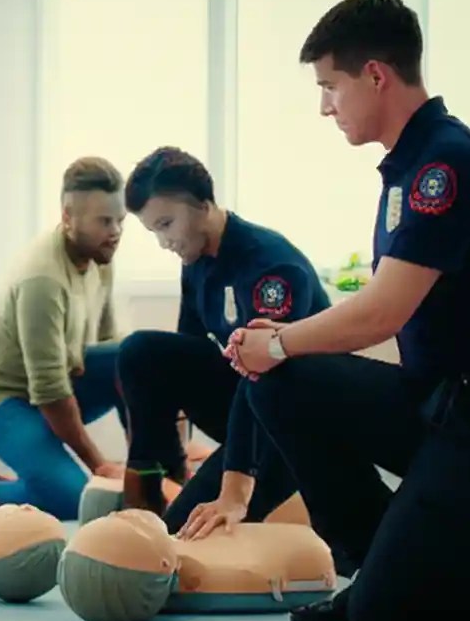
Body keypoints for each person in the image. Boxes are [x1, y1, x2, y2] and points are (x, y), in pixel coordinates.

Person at [225, 0, 470, 621]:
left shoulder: (446, 164)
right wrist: (281, 349)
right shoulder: (408, 166)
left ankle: (390, 591)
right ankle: (378, 568)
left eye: (331, 85)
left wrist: (278, 340)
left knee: (391, 620)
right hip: (436, 403)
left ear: (376, 76)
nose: (325, 105)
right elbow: (390, 314)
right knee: (281, 383)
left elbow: (385, 310)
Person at [113, 146, 331, 535]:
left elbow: (264, 377)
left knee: (179, 536)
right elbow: (184, 360)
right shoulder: (195, 261)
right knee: (140, 352)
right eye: (153, 232)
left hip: (295, 417)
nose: (164, 243)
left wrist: (234, 485)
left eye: (166, 224)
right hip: (248, 405)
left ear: (203, 204)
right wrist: (174, 454)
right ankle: (157, 477)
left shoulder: (268, 264)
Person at [0, 157, 129, 521]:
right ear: (68, 217)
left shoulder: (101, 257)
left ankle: (149, 466)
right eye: (104, 221)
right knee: (76, 499)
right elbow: (50, 391)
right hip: (3, 400)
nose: (116, 231)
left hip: (61, 381)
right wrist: (101, 466)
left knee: (137, 355)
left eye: (120, 220)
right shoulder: (42, 280)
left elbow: (113, 350)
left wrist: (146, 465)